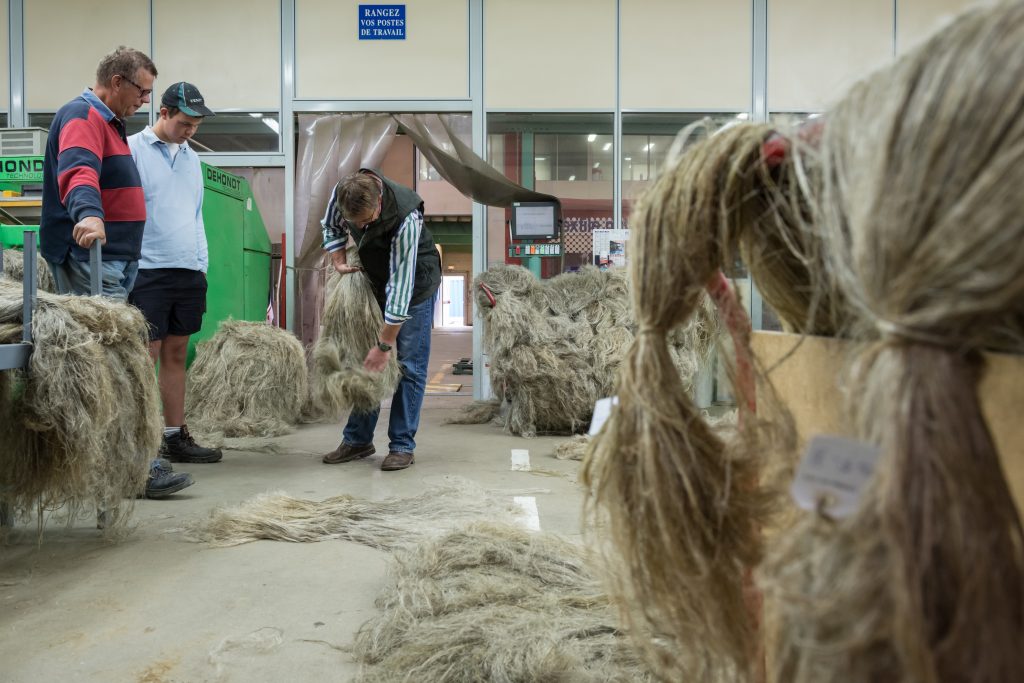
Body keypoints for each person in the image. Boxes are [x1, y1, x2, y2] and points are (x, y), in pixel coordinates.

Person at [39, 46, 192, 499]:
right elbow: (78, 170)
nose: (145, 100)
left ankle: (125, 464)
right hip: (93, 257)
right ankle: (132, 467)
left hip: (116, 259)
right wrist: (88, 213)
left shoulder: (111, 124)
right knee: (115, 366)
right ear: (118, 81)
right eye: (142, 91)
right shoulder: (83, 116)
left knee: (117, 363)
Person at [320, 169, 441, 471]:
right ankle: (358, 440)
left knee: (408, 366)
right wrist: (338, 259)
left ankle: (402, 445)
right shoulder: (343, 193)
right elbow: (331, 227)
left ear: (379, 202)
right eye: (355, 223)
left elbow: (400, 288)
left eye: (366, 221)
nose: (360, 227)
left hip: (415, 285)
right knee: (365, 360)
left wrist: (385, 345)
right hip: (374, 278)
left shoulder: (406, 217)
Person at [127, 82, 222, 466]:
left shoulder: (191, 159)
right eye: (184, 123)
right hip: (147, 269)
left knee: (177, 352)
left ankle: (173, 436)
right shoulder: (132, 150)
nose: (190, 132)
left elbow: (195, 213)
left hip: (188, 269)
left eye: (196, 125)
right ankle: (140, 440)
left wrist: (201, 263)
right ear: (162, 113)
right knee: (143, 355)